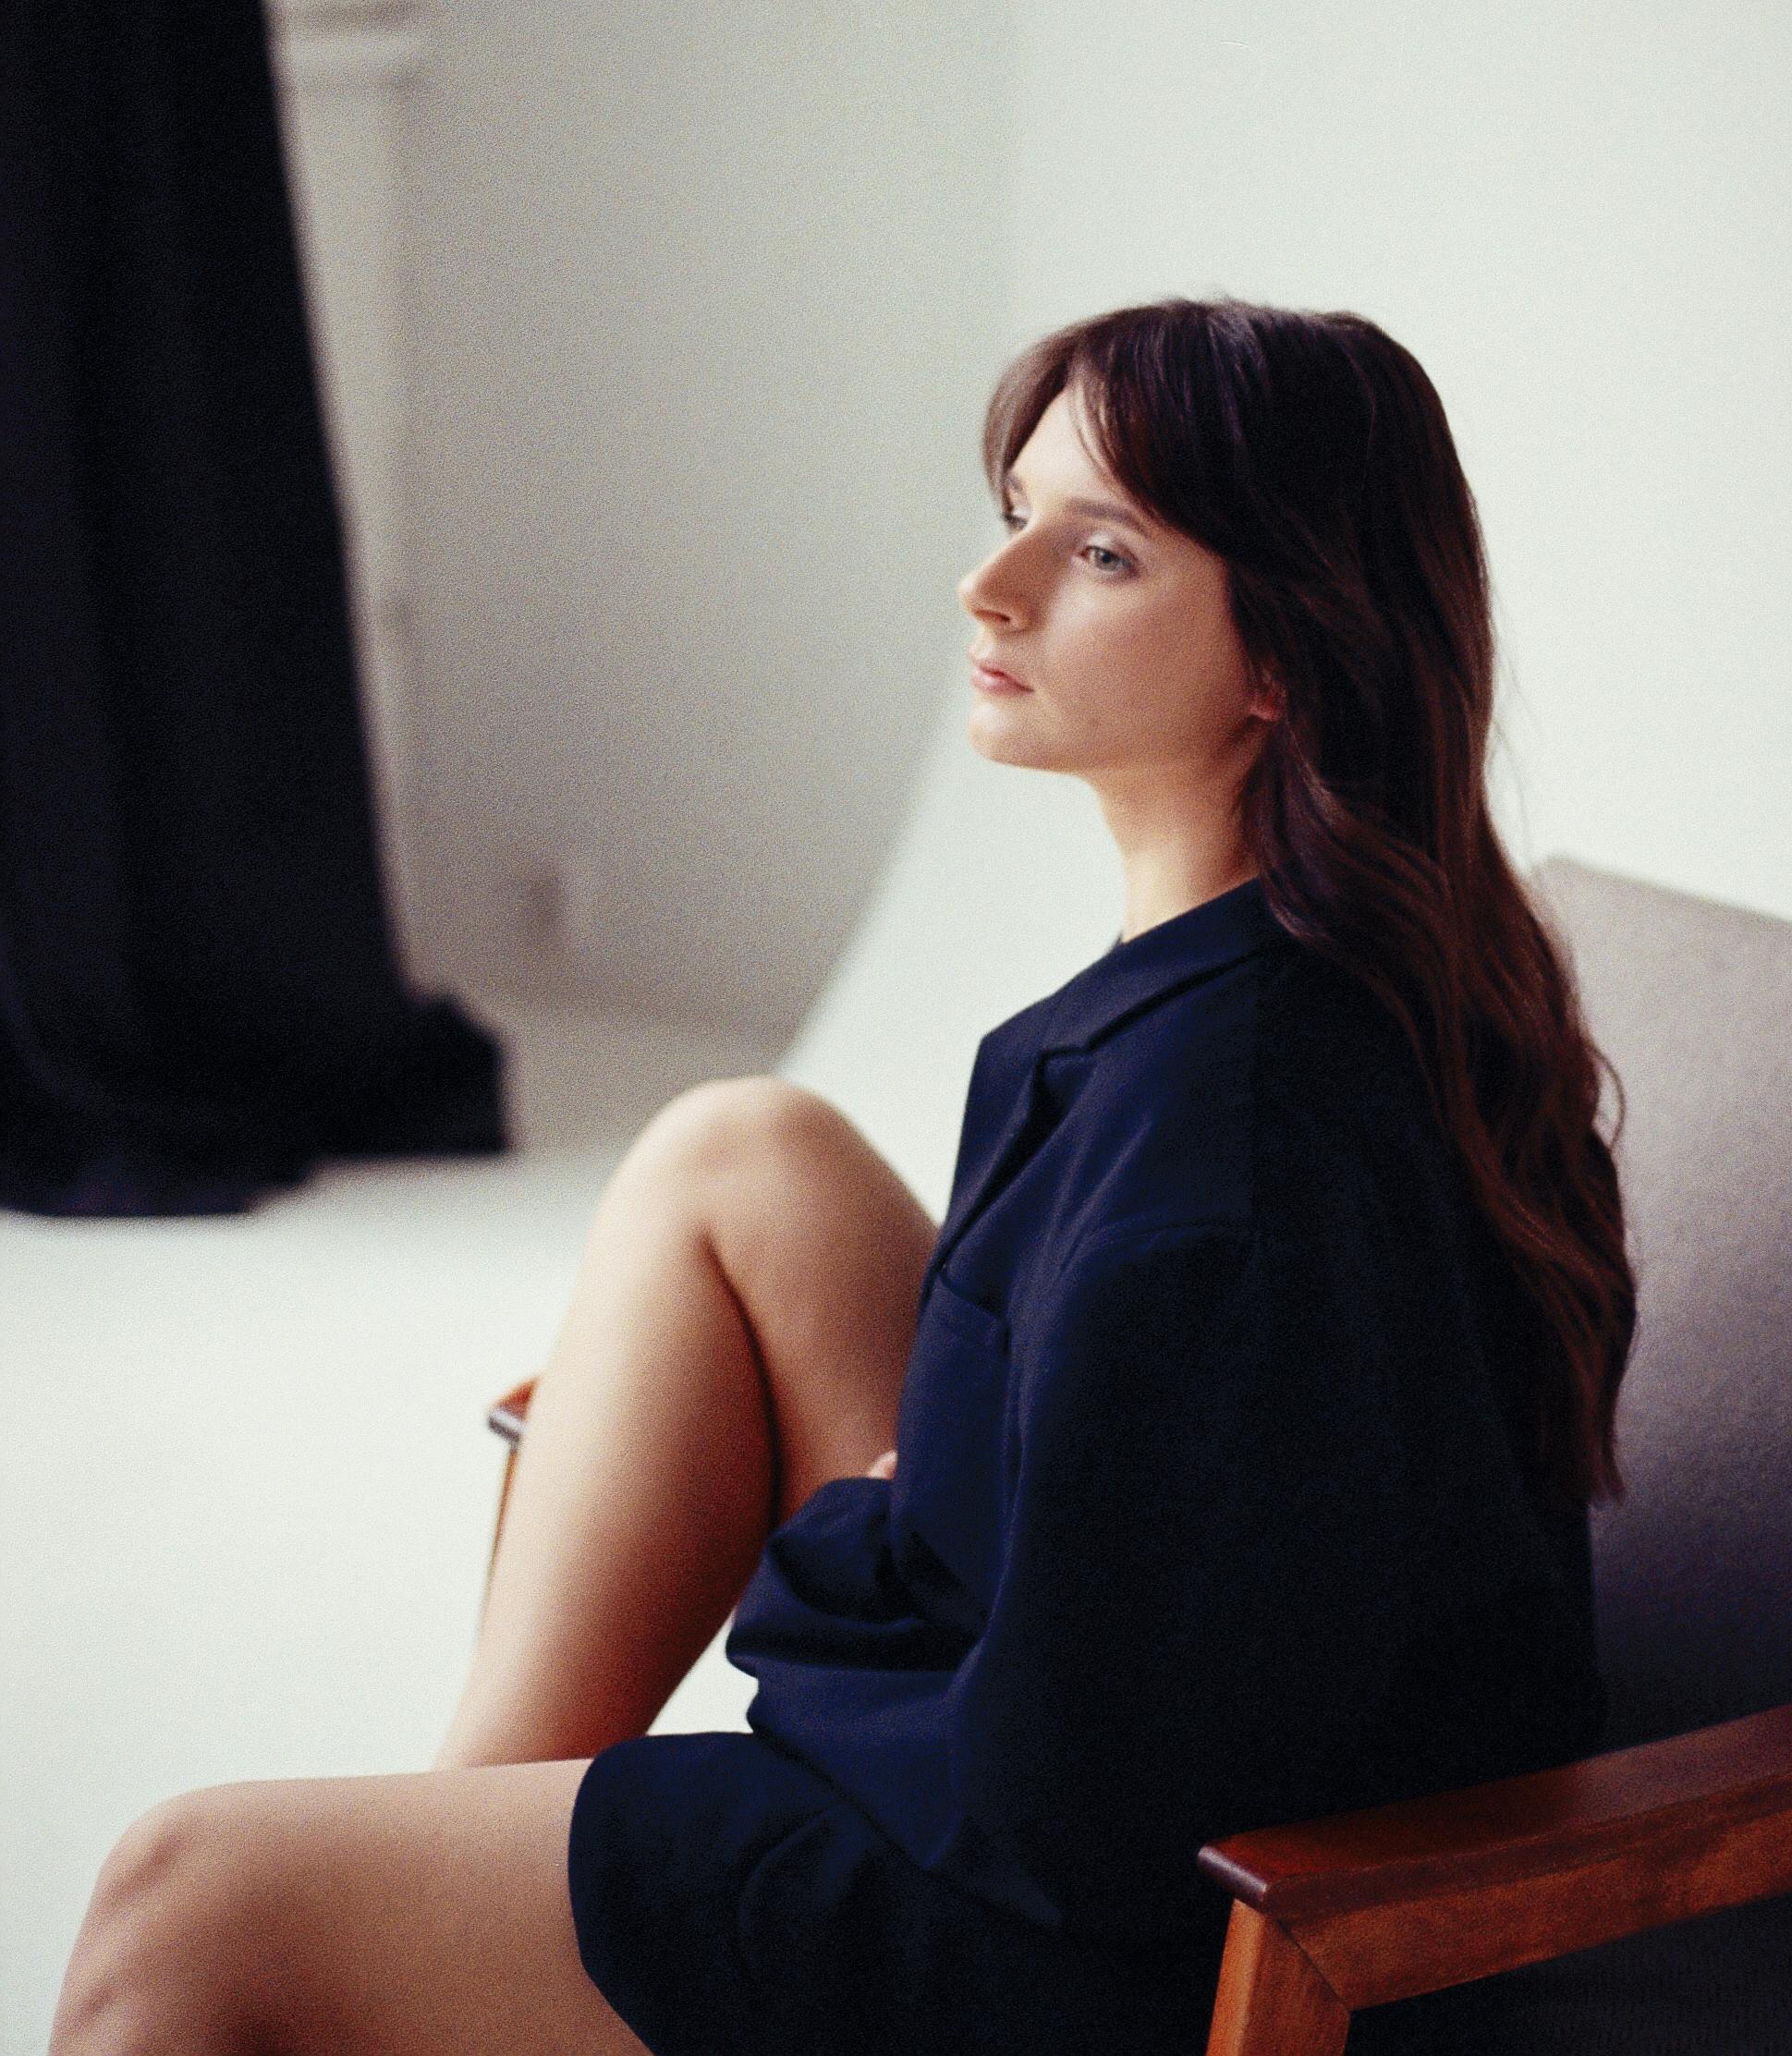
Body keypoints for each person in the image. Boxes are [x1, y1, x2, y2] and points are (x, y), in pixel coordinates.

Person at [49, 295, 1636, 2056]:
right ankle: (456, 1878)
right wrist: (898, 1517)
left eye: (1099, 551)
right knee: (746, 1151)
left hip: (1105, 1952)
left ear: (1283, 663)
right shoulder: (1304, 982)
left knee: (177, 1898)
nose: (995, 585)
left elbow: (1079, 1803)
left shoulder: (1235, 1149)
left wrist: (822, 1558)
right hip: (1114, 1748)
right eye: (1017, 509)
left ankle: (419, 1932)